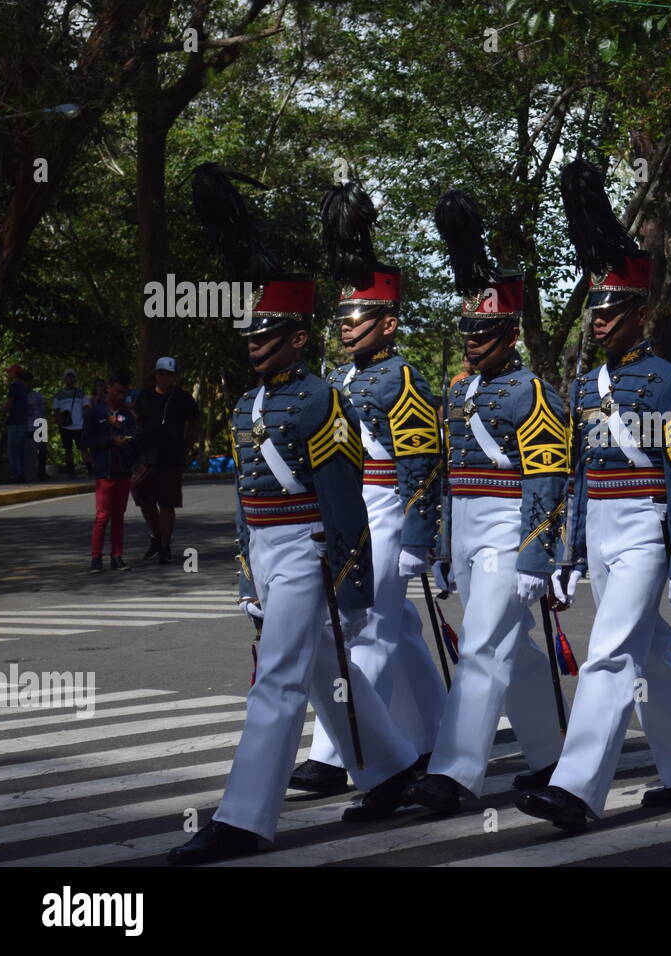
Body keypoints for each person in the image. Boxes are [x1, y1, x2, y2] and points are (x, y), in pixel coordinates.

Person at [170, 164, 419, 863]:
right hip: (272, 553)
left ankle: (245, 818)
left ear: (297, 337)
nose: (253, 342)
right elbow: (248, 504)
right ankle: (395, 764)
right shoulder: (247, 404)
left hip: (312, 550)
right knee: (316, 670)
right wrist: (247, 572)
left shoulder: (320, 402)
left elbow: (345, 505)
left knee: (278, 677)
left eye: (268, 332)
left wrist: (354, 585)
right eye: (249, 333)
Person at [515, 158, 671, 832]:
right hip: (601, 527)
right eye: (595, 309)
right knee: (653, 654)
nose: (600, 321)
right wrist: (569, 552)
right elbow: (576, 478)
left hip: (645, 527)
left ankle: (576, 787)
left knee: (610, 652)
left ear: (641, 313)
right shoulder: (582, 387)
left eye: (613, 310)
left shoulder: (668, 383)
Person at [402, 190, 567, 815]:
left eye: (486, 331)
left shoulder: (535, 392)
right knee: (511, 647)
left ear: (512, 332)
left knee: (479, 645)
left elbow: (547, 479)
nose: (473, 341)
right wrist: (442, 546)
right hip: (467, 527)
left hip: (508, 528)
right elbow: (447, 476)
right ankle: (553, 754)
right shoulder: (458, 391)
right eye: (467, 330)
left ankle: (454, 772)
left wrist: (536, 556)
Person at [286, 181, 448, 799]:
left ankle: (336, 754)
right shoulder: (341, 376)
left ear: (389, 321)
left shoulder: (402, 377)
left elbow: (422, 463)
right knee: (395, 627)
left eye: (359, 318)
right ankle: (435, 730)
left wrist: (417, 537)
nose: (347, 327)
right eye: (343, 317)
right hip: (352, 510)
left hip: (385, 510)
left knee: (365, 630)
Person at [132, 356, 201, 563]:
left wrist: (186, 449)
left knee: (167, 503)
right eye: (161, 373)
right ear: (156, 375)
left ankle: (164, 545)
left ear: (175, 376)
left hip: (171, 458)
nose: (164, 378)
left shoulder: (183, 398)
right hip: (146, 456)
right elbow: (134, 419)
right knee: (143, 499)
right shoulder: (145, 396)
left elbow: (195, 425)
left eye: (169, 374)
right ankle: (156, 535)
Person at [80, 370, 136, 572]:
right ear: (109, 388)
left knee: (119, 515)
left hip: (123, 470)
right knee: (102, 516)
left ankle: (117, 556)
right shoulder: (95, 413)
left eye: (124, 393)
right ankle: (96, 558)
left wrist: (122, 433)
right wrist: (110, 440)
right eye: (118, 392)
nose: (121, 397)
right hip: (104, 471)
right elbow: (85, 441)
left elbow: (134, 437)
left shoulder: (126, 415)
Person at [53, 369, 88, 477]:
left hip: (80, 425)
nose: (69, 379)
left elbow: (86, 408)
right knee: (68, 449)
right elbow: (56, 410)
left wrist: (86, 421)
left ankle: (90, 469)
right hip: (65, 426)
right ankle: (70, 470)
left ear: (75, 379)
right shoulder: (59, 394)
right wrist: (60, 423)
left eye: (71, 377)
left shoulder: (81, 393)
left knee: (83, 448)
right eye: (67, 377)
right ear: (64, 379)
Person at [2, 365, 30, 483]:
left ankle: (16, 475)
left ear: (14, 374)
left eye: (10, 373)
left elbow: (9, 403)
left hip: (15, 423)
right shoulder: (23, 387)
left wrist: (2, 411)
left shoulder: (14, 386)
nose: (8, 375)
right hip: (23, 422)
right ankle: (22, 474)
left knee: (12, 450)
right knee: (20, 450)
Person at [23, 372, 47, 480]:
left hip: (39, 426)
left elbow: (42, 410)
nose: (27, 383)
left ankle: (42, 472)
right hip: (27, 427)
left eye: (29, 381)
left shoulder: (38, 395)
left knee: (42, 450)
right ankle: (28, 474)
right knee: (28, 451)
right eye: (25, 381)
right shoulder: (20, 396)